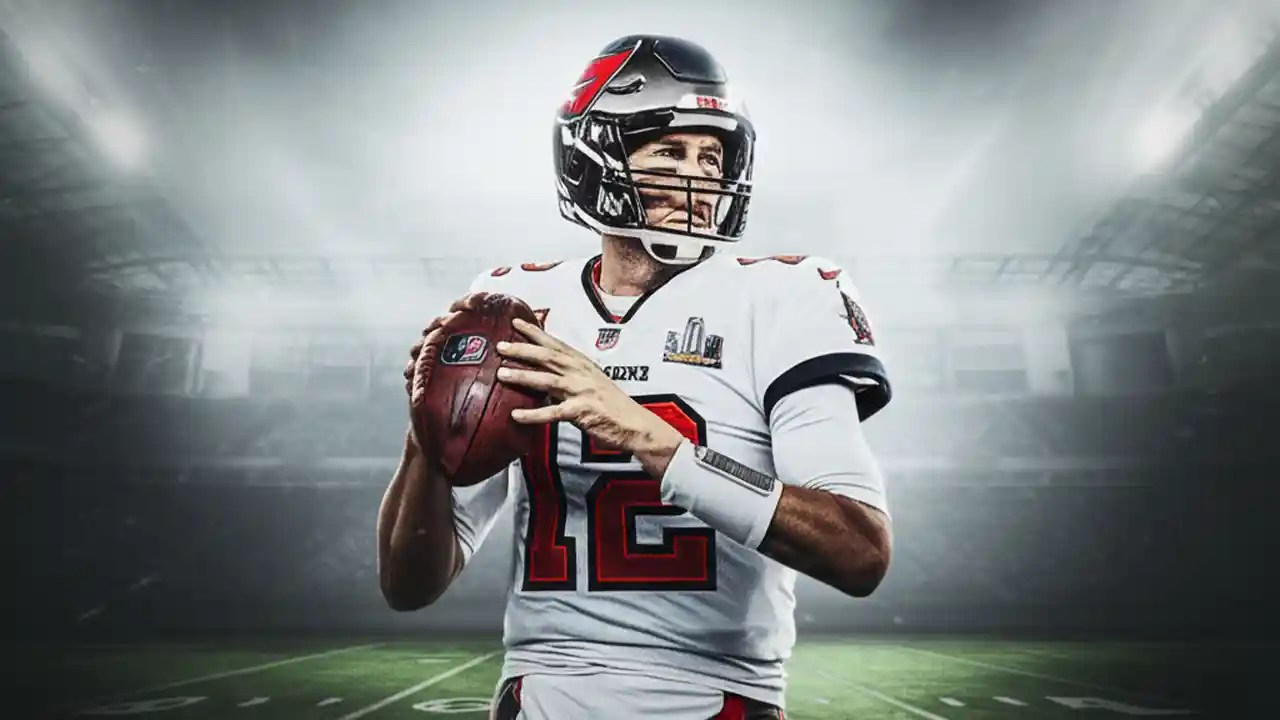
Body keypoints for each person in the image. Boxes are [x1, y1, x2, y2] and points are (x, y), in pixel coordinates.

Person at [379, 34, 893, 720]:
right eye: (671, 152)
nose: (701, 177)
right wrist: (427, 440)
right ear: (595, 155)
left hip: (714, 697)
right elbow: (409, 584)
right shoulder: (519, 306)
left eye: (713, 155)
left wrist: (644, 432)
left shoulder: (785, 296)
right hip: (539, 691)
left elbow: (859, 549)